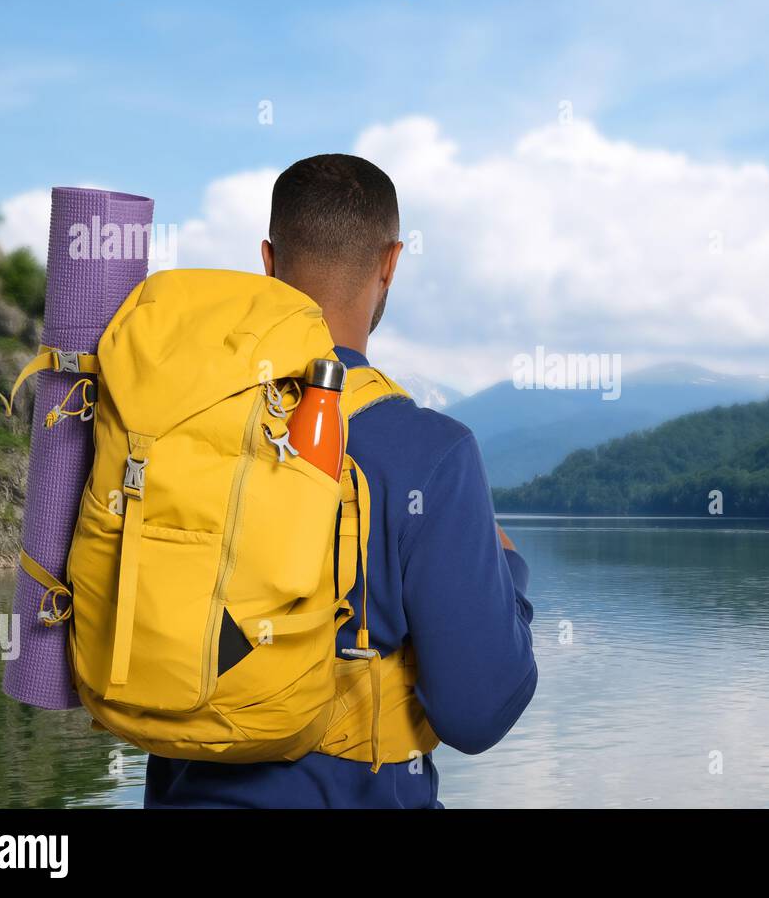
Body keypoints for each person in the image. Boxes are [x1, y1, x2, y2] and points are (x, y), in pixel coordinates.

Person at [144, 154, 538, 808]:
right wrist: (509, 572)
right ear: (390, 263)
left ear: (268, 261)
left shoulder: (174, 426)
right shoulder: (432, 454)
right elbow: (479, 713)